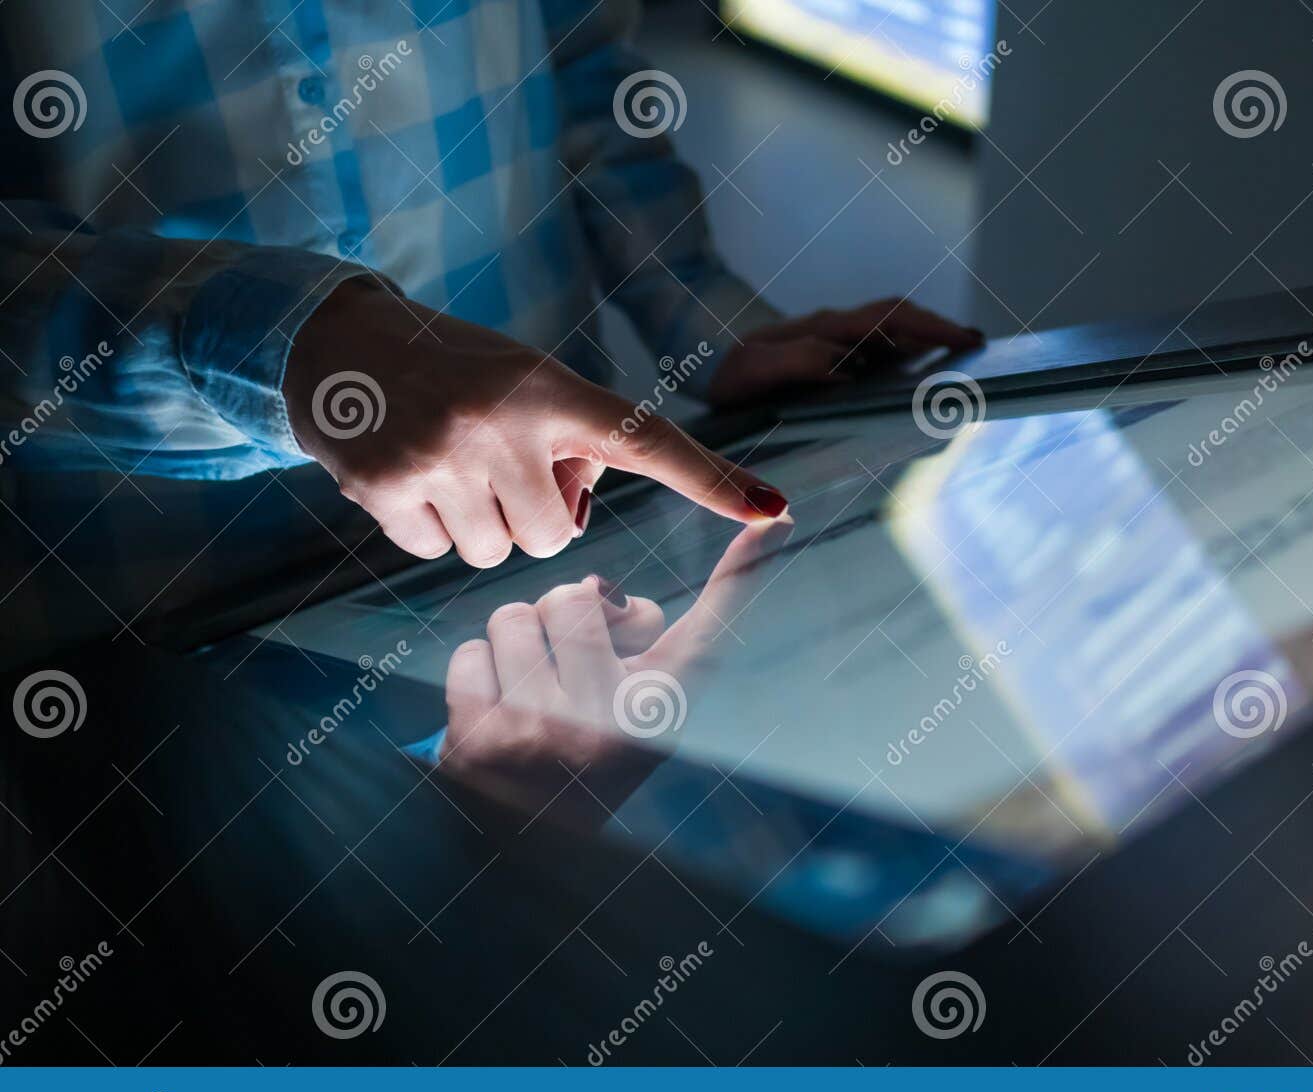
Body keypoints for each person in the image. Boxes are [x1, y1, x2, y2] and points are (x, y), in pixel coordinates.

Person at [0, 0, 979, 657]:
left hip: (556, 585)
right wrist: (295, 354)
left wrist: (707, 321)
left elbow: (572, 53)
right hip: (143, 638)